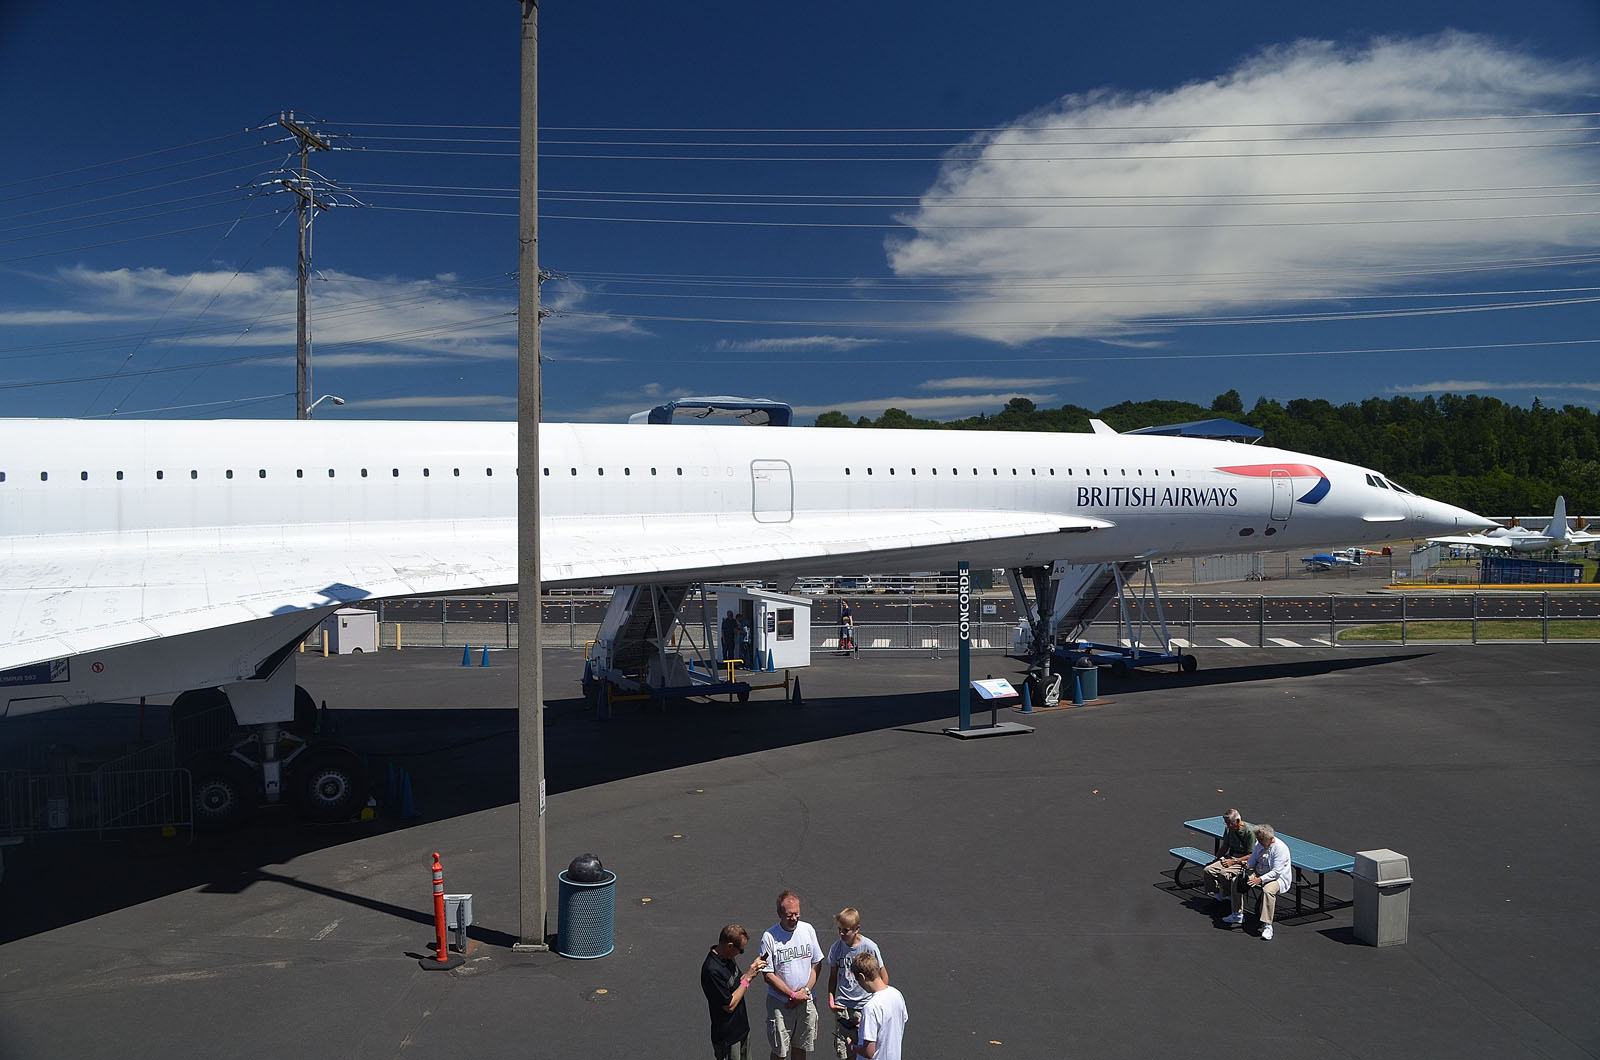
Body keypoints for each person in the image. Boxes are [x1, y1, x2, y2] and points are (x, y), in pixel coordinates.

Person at [760, 890, 825, 1060]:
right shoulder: (769, 937)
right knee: (780, 1050)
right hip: (781, 1004)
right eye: (789, 915)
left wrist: (805, 992)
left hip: (806, 1000)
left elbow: (817, 963)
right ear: (779, 914)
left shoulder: (808, 929)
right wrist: (792, 995)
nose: (794, 918)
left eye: (797, 914)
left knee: (800, 1047)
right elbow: (768, 975)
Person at [703, 924, 769, 1060]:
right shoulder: (712, 970)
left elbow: (739, 983)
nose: (740, 953)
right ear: (729, 946)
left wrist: (753, 970)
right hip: (727, 1038)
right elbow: (729, 1005)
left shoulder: (727, 958)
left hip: (742, 1030)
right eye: (741, 950)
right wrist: (748, 977)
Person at [826, 908, 885, 1060]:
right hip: (842, 1006)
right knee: (843, 1049)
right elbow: (833, 977)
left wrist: (877, 1001)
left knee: (861, 1048)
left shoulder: (870, 947)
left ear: (856, 929)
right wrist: (831, 1000)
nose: (841, 934)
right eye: (839, 929)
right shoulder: (836, 948)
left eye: (846, 930)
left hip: (863, 1006)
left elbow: (883, 977)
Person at [1222, 822, 1293, 940]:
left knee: (1268, 891)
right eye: (1258, 839)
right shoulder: (1259, 844)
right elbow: (1253, 859)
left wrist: (1260, 880)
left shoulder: (1280, 849)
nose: (1259, 842)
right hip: (1259, 871)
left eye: (1261, 839)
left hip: (1277, 878)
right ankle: (1237, 914)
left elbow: (1276, 872)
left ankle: (1267, 925)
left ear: (1268, 838)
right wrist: (1248, 865)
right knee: (1236, 880)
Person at [849, 951, 907, 1060]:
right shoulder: (897, 995)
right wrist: (864, 1024)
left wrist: (852, 1046)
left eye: (857, 980)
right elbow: (892, 1023)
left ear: (862, 977)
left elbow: (869, 1052)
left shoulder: (870, 1007)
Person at [1202, 808, 1254, 902]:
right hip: (1230, 857)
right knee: (1208, 870)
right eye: (1226, 823)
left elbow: (1251, 855)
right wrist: (1216, 858)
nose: (1228, 826)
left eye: (1230, 823)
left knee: (1224, 874)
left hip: (1243, 860)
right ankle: (1216, 896)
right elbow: (1225, 846)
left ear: (1237, 821)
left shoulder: (1249, 832)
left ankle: (1229, 897)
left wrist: (1234, 861)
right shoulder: (1228, 829)